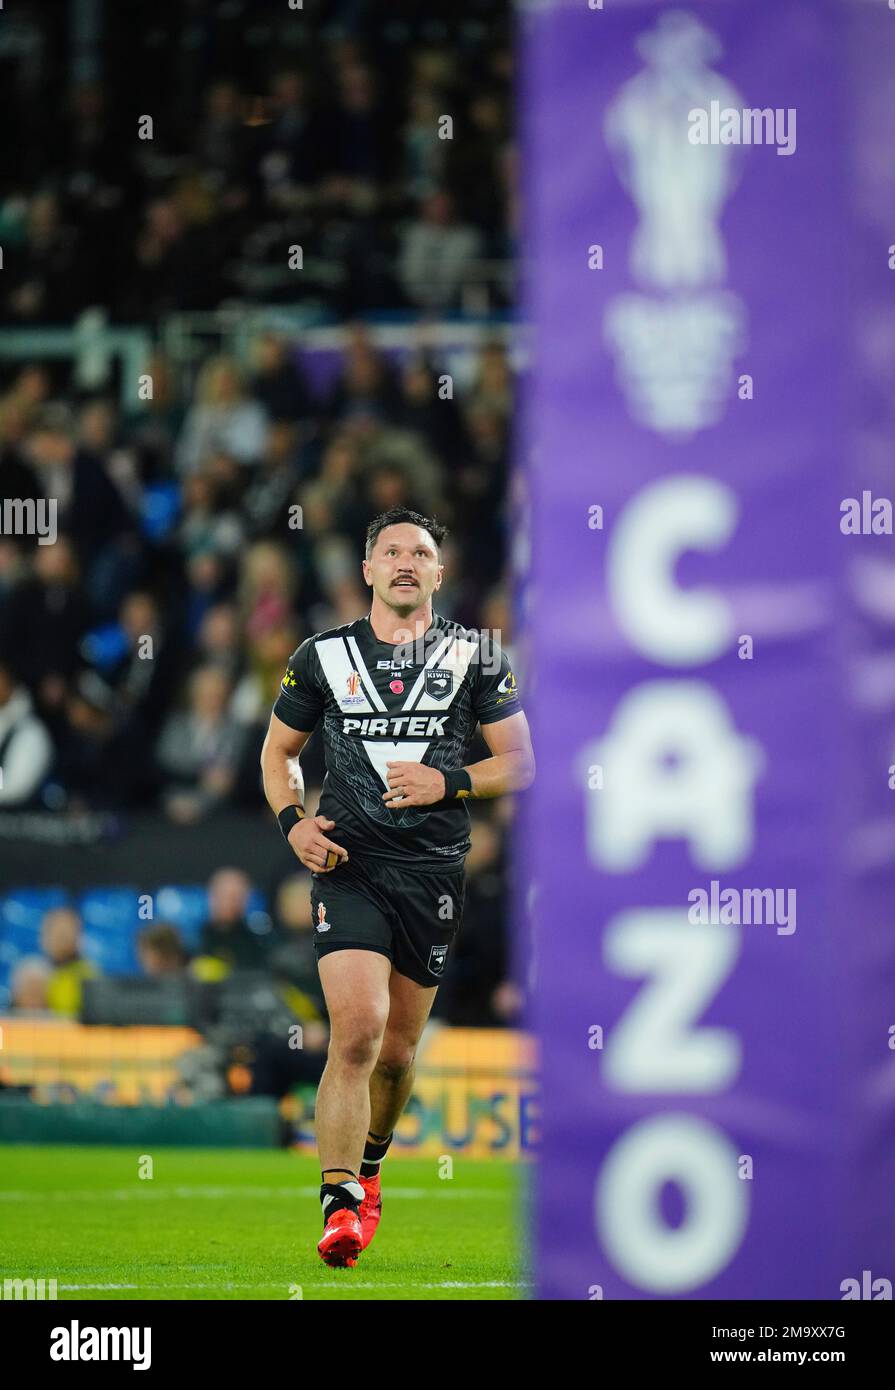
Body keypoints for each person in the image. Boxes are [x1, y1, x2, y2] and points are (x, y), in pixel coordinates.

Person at [260, 505, 535, 1268]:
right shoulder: (320, 656)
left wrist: (447, 780)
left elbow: (519, 761)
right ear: (368, 571)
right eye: (391, 551)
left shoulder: (478, 656)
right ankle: (339, 1200)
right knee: (355, 1031)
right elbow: (278, 751)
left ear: (439, 574)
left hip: (433, 876)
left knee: (396, 1054)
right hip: (347, 869)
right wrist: (293, 822)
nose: (406, 561)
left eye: (420, 551)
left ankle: (372, 1166)